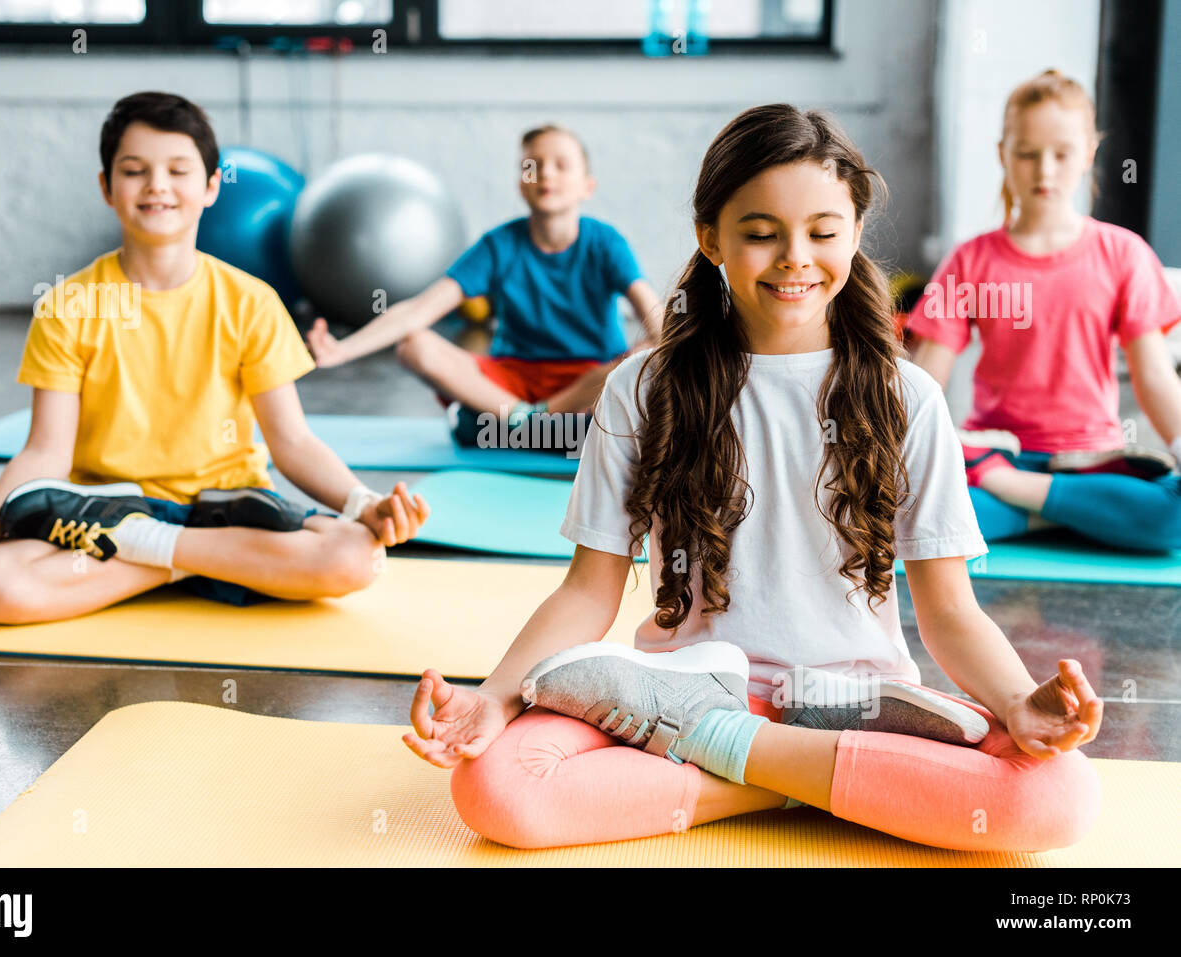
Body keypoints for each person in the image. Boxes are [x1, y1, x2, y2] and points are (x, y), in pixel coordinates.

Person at [403, 104, 1102, 852]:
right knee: (495, 785)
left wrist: (1017, 701)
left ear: (856, 233)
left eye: (823, 233)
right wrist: (493, 697)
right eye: (762, 233)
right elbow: (589, 586)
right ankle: (824, 779)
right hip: (686, 680)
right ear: (711, 239)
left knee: (1056, 796)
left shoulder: (909, 397)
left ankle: (722, 746)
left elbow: (950, 612)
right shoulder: (641, 386)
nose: (795, 257)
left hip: (858, 700)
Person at [0, 91, 429, 624]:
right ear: (106, 188)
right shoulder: (68, 305)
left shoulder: (251, 301)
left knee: (358, 555)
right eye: (135, 170)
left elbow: (293, 443)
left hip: (229, 510)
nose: (157, 185)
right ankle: (213, 564)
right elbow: (46, 451)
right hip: (106, 511)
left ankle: (151, 550)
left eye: (177, 170)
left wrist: (361, 503)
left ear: (211, 187)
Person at [907, 69, 1181, 550]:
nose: (1045, 171)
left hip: (1094, 463)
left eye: (1061, 154)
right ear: (1002, 155)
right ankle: (1080, 517)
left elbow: (1156, 377)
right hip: (1000, 449)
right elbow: (924, 381)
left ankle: (1021, 498)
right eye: (1027, 154)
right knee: (905, 516)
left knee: (1172, 518)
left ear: (1090, 153)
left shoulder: (1125, 254)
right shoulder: (970, 259)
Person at [305, 124, 664, 446]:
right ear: (519, 181)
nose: (545, 174)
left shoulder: (606, 243)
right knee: (413, 346)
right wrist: (345, 349)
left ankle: (518, 428)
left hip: (589, 380)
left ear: (588, 186)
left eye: (561, 165)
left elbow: (652, 313)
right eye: (532, 165)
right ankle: (544, 429)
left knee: (645, 355)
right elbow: (419, 310)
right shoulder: (500, 244)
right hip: (513, 384)